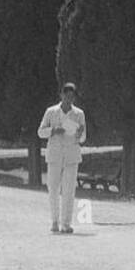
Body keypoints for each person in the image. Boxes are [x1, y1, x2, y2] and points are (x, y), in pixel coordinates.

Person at [37, 83, 86, 234]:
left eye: (72, 97)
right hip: (55, 155)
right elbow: (40, 132)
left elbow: (83, 138)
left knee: (69, 190)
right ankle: (54, 221)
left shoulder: (79, 114)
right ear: (61, 95)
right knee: (53, 188)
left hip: (71, 155)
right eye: (66, 96)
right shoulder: (51, 112)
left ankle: (66, 223)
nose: (68, 99)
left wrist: (79, 134)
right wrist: (53, 130)